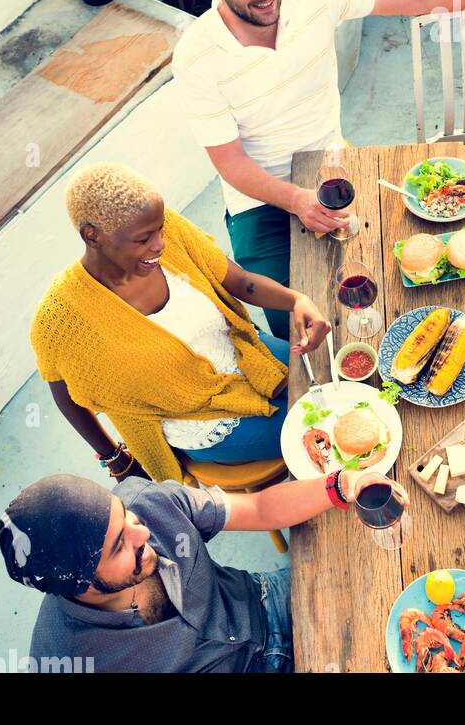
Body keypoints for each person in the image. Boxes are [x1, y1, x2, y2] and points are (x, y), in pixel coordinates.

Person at [172, 0, 465, 338]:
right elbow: (230, 162)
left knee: (389, 281)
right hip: (259, 202)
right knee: (302, 326)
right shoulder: (195, 58)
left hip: (332, 166)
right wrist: (296, 199)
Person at [31, 163, 330, 485]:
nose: (160, 243)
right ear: (92, 236)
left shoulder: (164, 228)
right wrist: (114, 458)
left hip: (245, 353)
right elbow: (65, 396)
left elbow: (240, 282)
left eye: (159, 229)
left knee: (339, 381)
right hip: (201, 417)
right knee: (328, 429)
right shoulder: (62, 318)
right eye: (144, 239)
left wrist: (296, 300)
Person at [0, 466, 404, 673]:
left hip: (265, 603)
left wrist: (338, 485)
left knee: (398, 598)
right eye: (120, 545)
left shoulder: (147, 501)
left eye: (126, 519)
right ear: (80, 583)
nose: (141, 533)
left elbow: (259, 509)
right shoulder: (66, 657)